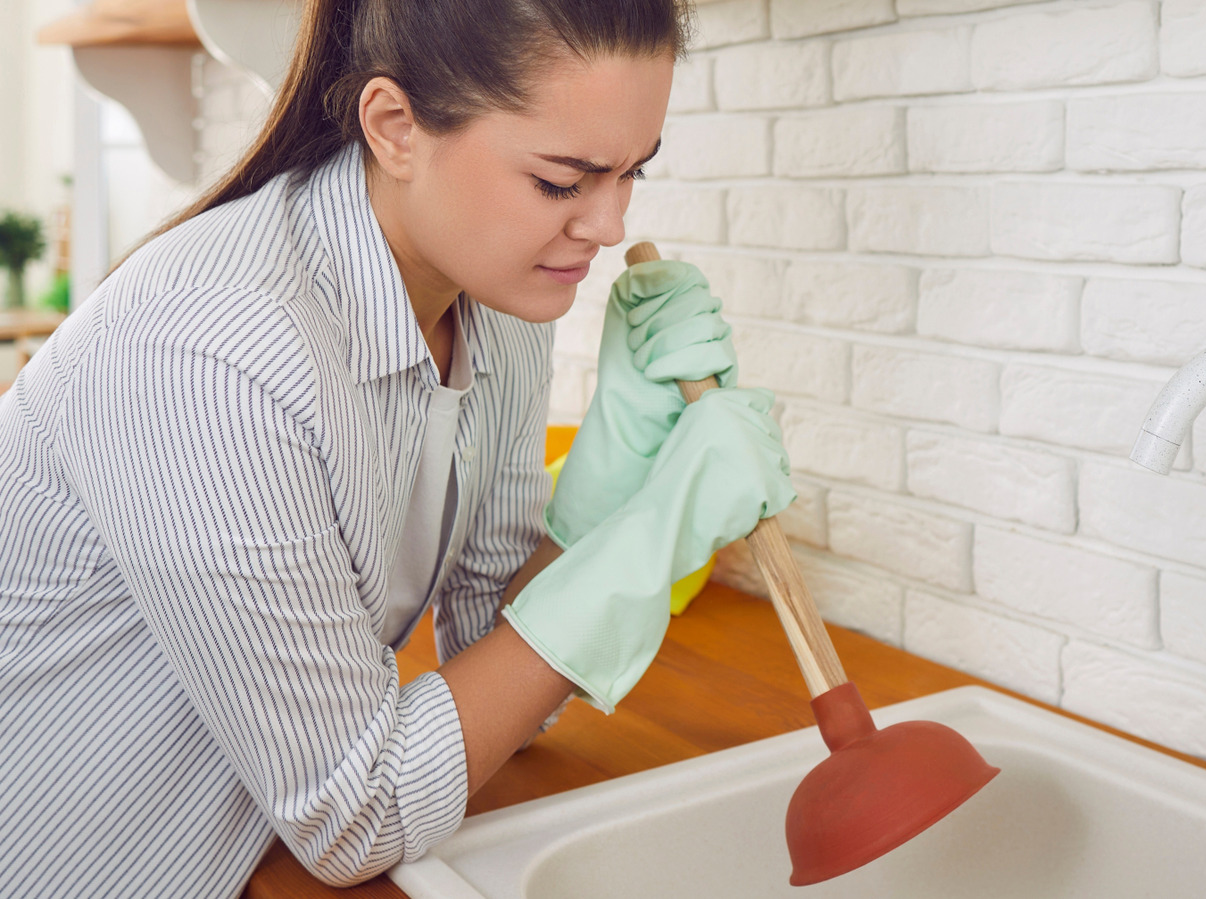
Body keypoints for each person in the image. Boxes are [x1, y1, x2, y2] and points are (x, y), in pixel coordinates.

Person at [0, 1, 794, 896]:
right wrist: (655, 533)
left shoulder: (491, 295)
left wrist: (615, 476)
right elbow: (357, 813)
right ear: (395, 128)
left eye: (631, 174)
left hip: (228, 843)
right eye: (563, 182)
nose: (609, 227)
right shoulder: (212, 354)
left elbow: (498, 683)